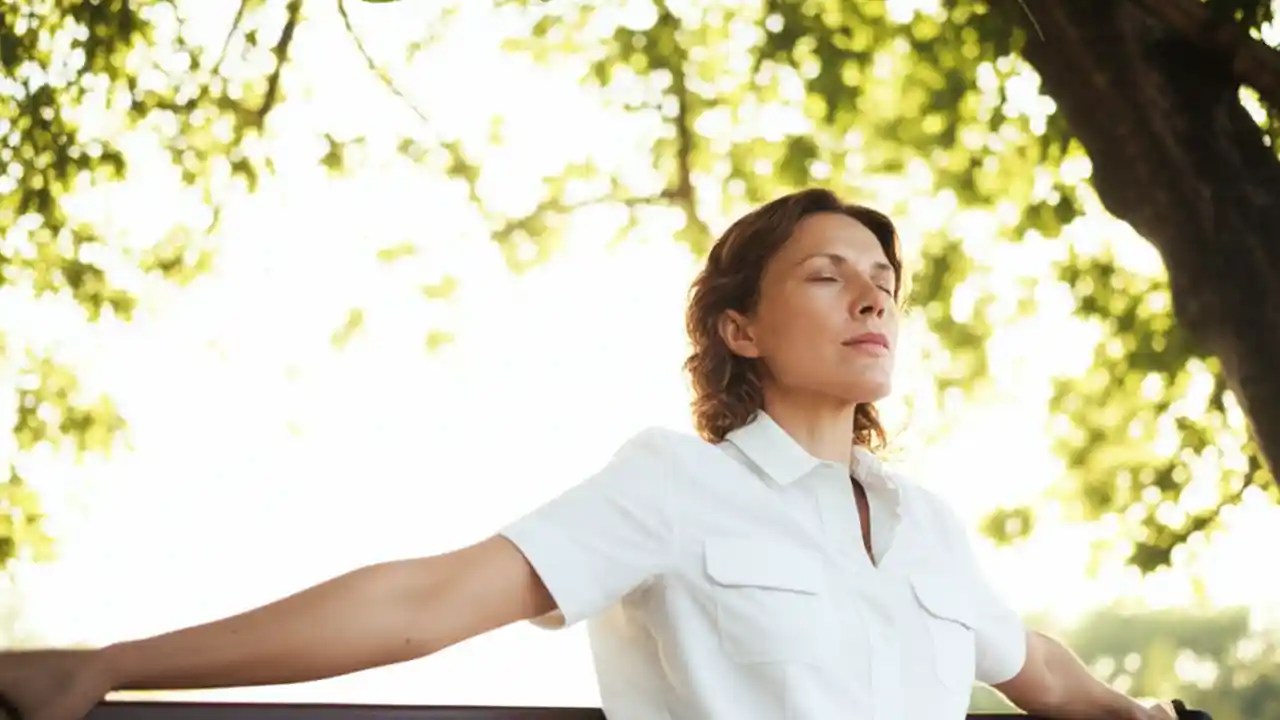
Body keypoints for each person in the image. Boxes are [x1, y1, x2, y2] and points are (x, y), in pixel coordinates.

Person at [0, 188, 1179, 720]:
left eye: (882, 285)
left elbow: (1039, 672)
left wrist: (1139, 718)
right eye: (827, 277)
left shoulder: (925, 524)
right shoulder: (675, 486)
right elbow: (420, 605)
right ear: (739, 328)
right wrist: (106, 665)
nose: (870, 301)